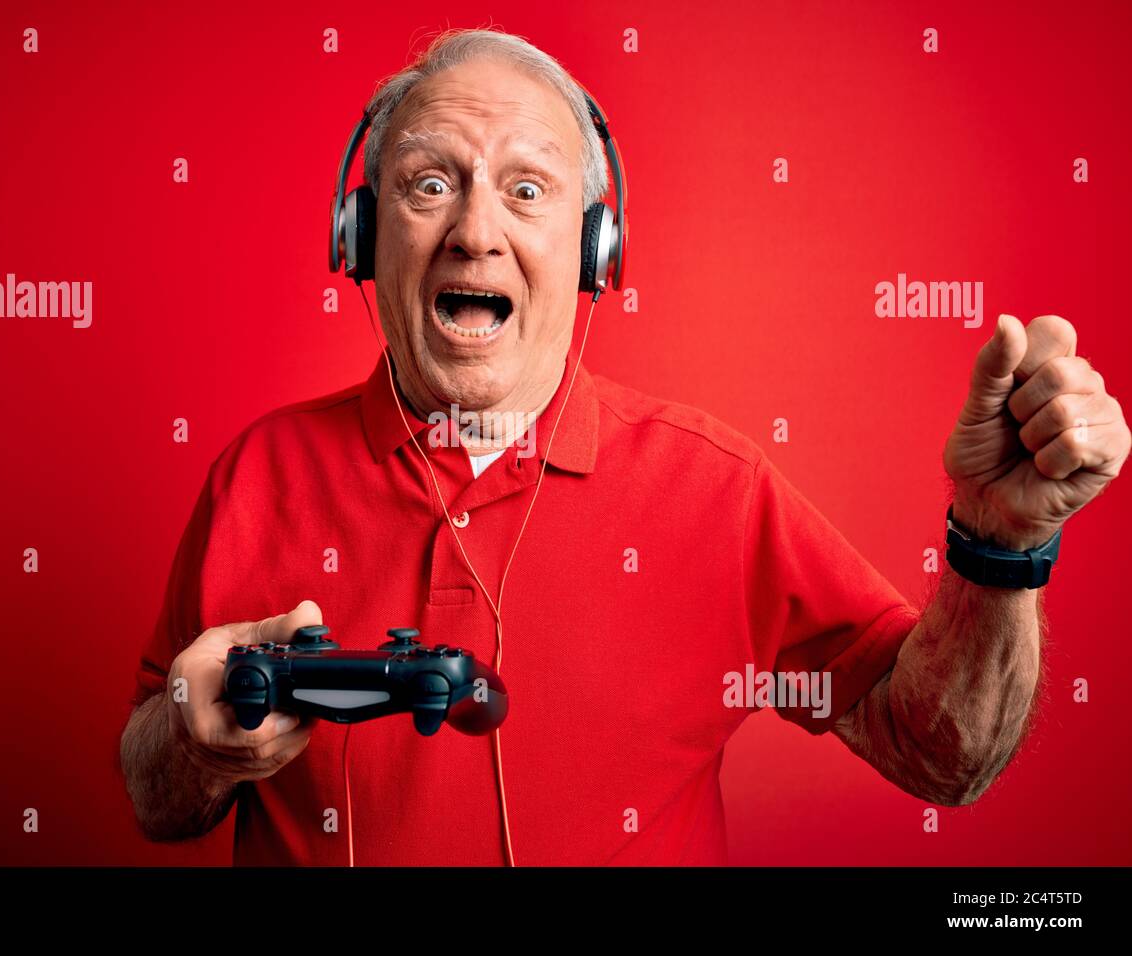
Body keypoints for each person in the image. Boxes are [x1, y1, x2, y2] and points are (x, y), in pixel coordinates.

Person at [119, 27, 1129, 865]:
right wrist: (194, 740)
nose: (475, 231)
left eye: (527, 190)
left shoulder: (716, 491)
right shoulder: (255, 475)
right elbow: (156, 795)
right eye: (430, 184)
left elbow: (941, 754)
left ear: (596, 250)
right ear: (361, 236)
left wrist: (997, 547)